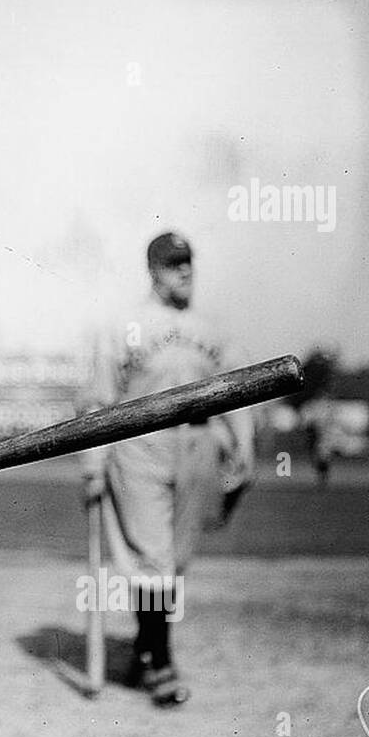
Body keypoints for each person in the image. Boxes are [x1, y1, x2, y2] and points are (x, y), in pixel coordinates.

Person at [79, 231, 253, 707]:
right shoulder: (124, 325)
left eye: (189, 263)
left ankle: (145, 646)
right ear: (153, 269)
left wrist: (245, 446)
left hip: (197, 445)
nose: (186, 271)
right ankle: (160, 661)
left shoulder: (211, 328)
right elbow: (99, 399)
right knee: (153, 560)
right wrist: (93, 463)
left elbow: (238, 390)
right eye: (175, 264)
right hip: (140, 445)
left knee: (173, 564)